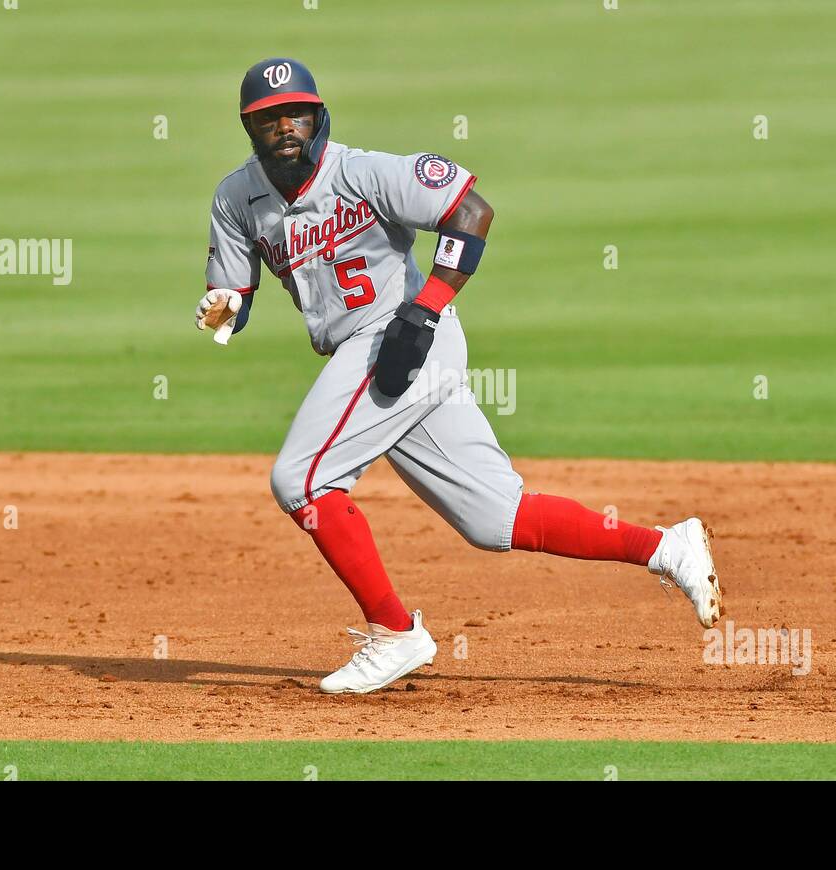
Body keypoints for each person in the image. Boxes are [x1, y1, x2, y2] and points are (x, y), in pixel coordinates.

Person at [196, 58, 722, 694]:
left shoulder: (366, 172)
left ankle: (394, 632)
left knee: (302, 481)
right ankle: (670, 548)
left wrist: (425, 310)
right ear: (250, 128)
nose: (286, 127)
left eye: (296, 113)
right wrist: (226, 306)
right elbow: (234, 288)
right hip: (374, 352)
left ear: (318, 115)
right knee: (497, 518)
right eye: (269, 118)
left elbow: (470, 211)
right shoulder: (236, 198)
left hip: (403, 337)